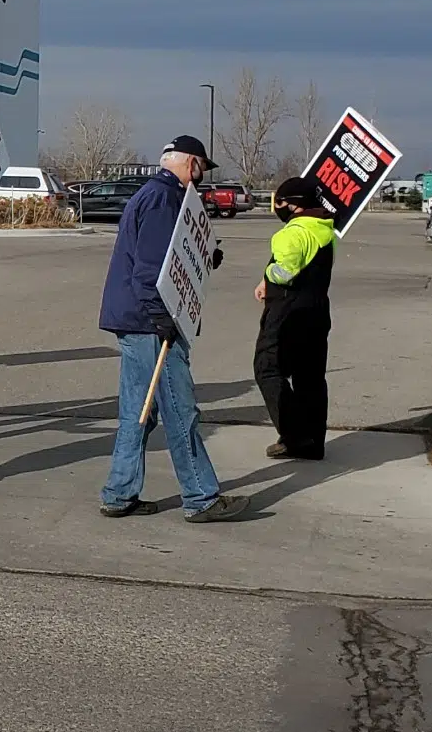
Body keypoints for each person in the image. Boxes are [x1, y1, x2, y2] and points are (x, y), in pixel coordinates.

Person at [96, 134, 247, 523]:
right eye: (201, 168)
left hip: (133, 320)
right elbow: (150, 269)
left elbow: (163, 259)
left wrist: (202, 256)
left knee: (137, 411)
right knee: (179, 409)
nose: (201, 177)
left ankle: (119, 492)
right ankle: (201, 496)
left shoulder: (153, 194)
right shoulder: (165, 200)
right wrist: (161, 317)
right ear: (190, 163)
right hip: (150, 322)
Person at [256, 176, 337, 461]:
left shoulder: (292, 233)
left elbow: (284, 272)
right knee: (310, 377)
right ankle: (314, 442)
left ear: (294, 205)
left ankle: (294, 435)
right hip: (317, 309)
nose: (277, 207)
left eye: (280, 202)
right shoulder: (325, 230)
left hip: (288, 312)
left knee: (267, 368)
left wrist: (268, 275)